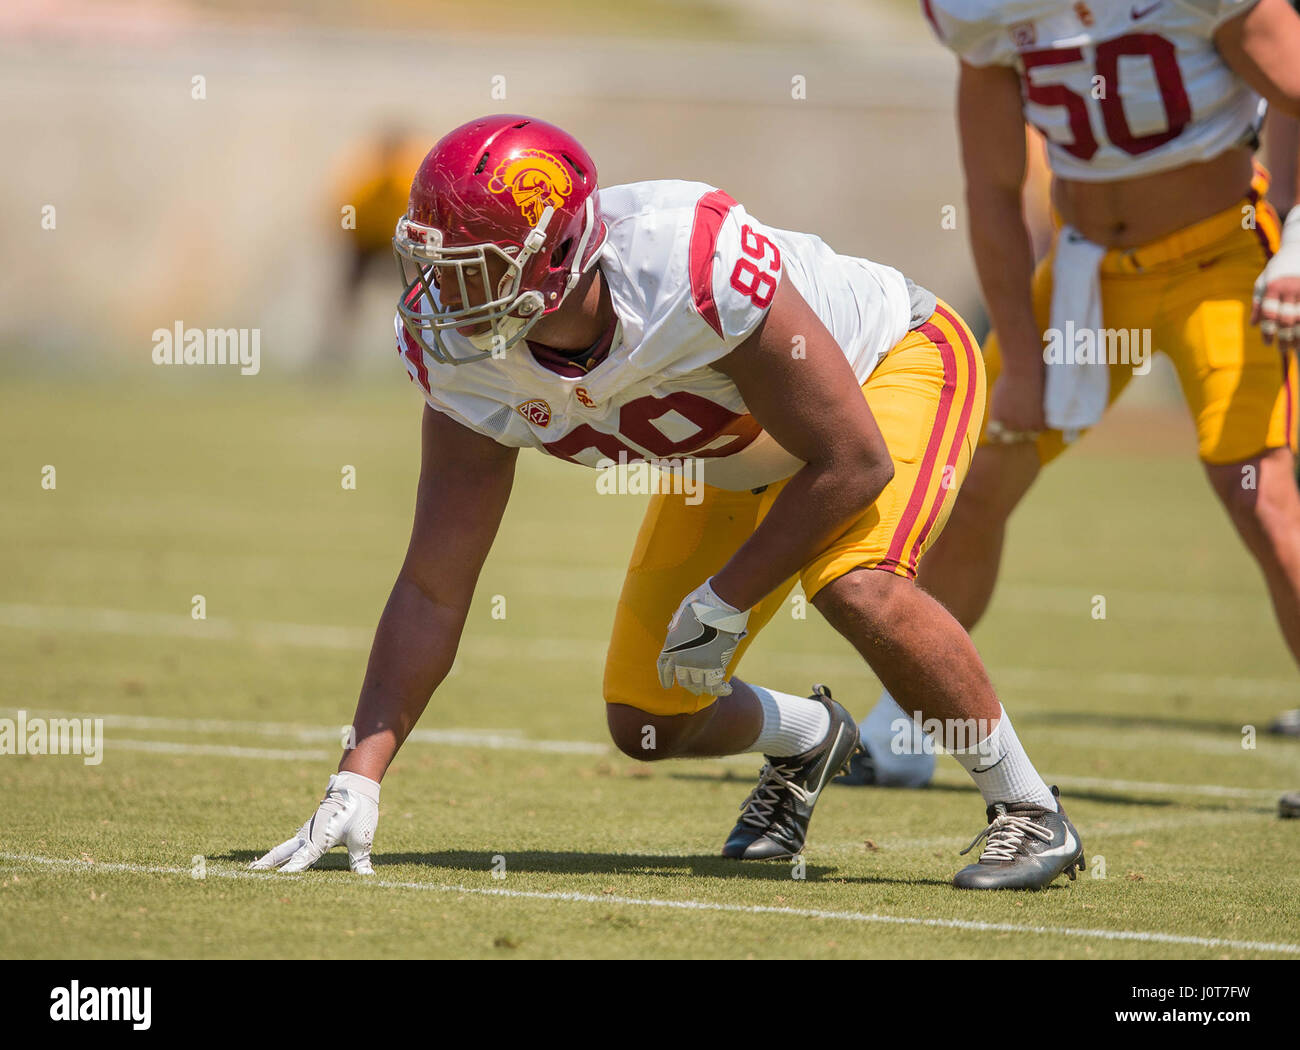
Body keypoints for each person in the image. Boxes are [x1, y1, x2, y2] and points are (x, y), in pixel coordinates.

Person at [252, 114, 1085, 889]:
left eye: (473, 269)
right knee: (648, 719)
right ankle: (811, 739)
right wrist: (357, 777)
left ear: (553, 258)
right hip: (728, 448)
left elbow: (853, 461)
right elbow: (435, 584)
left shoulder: (685, 263)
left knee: (854, 581)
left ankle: (1029, 807)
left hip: (884, 374)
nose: (443, 296)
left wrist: (727, 596)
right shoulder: (469, 359)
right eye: (434, 265)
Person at [842, 0, 1300, 789]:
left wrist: (1294, 240)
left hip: (1220, 261)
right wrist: (1020, 358)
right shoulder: (987, 13)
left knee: (1257, 494)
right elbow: (990, 189)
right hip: (1090, 274)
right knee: (973, 485)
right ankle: (910, 719)